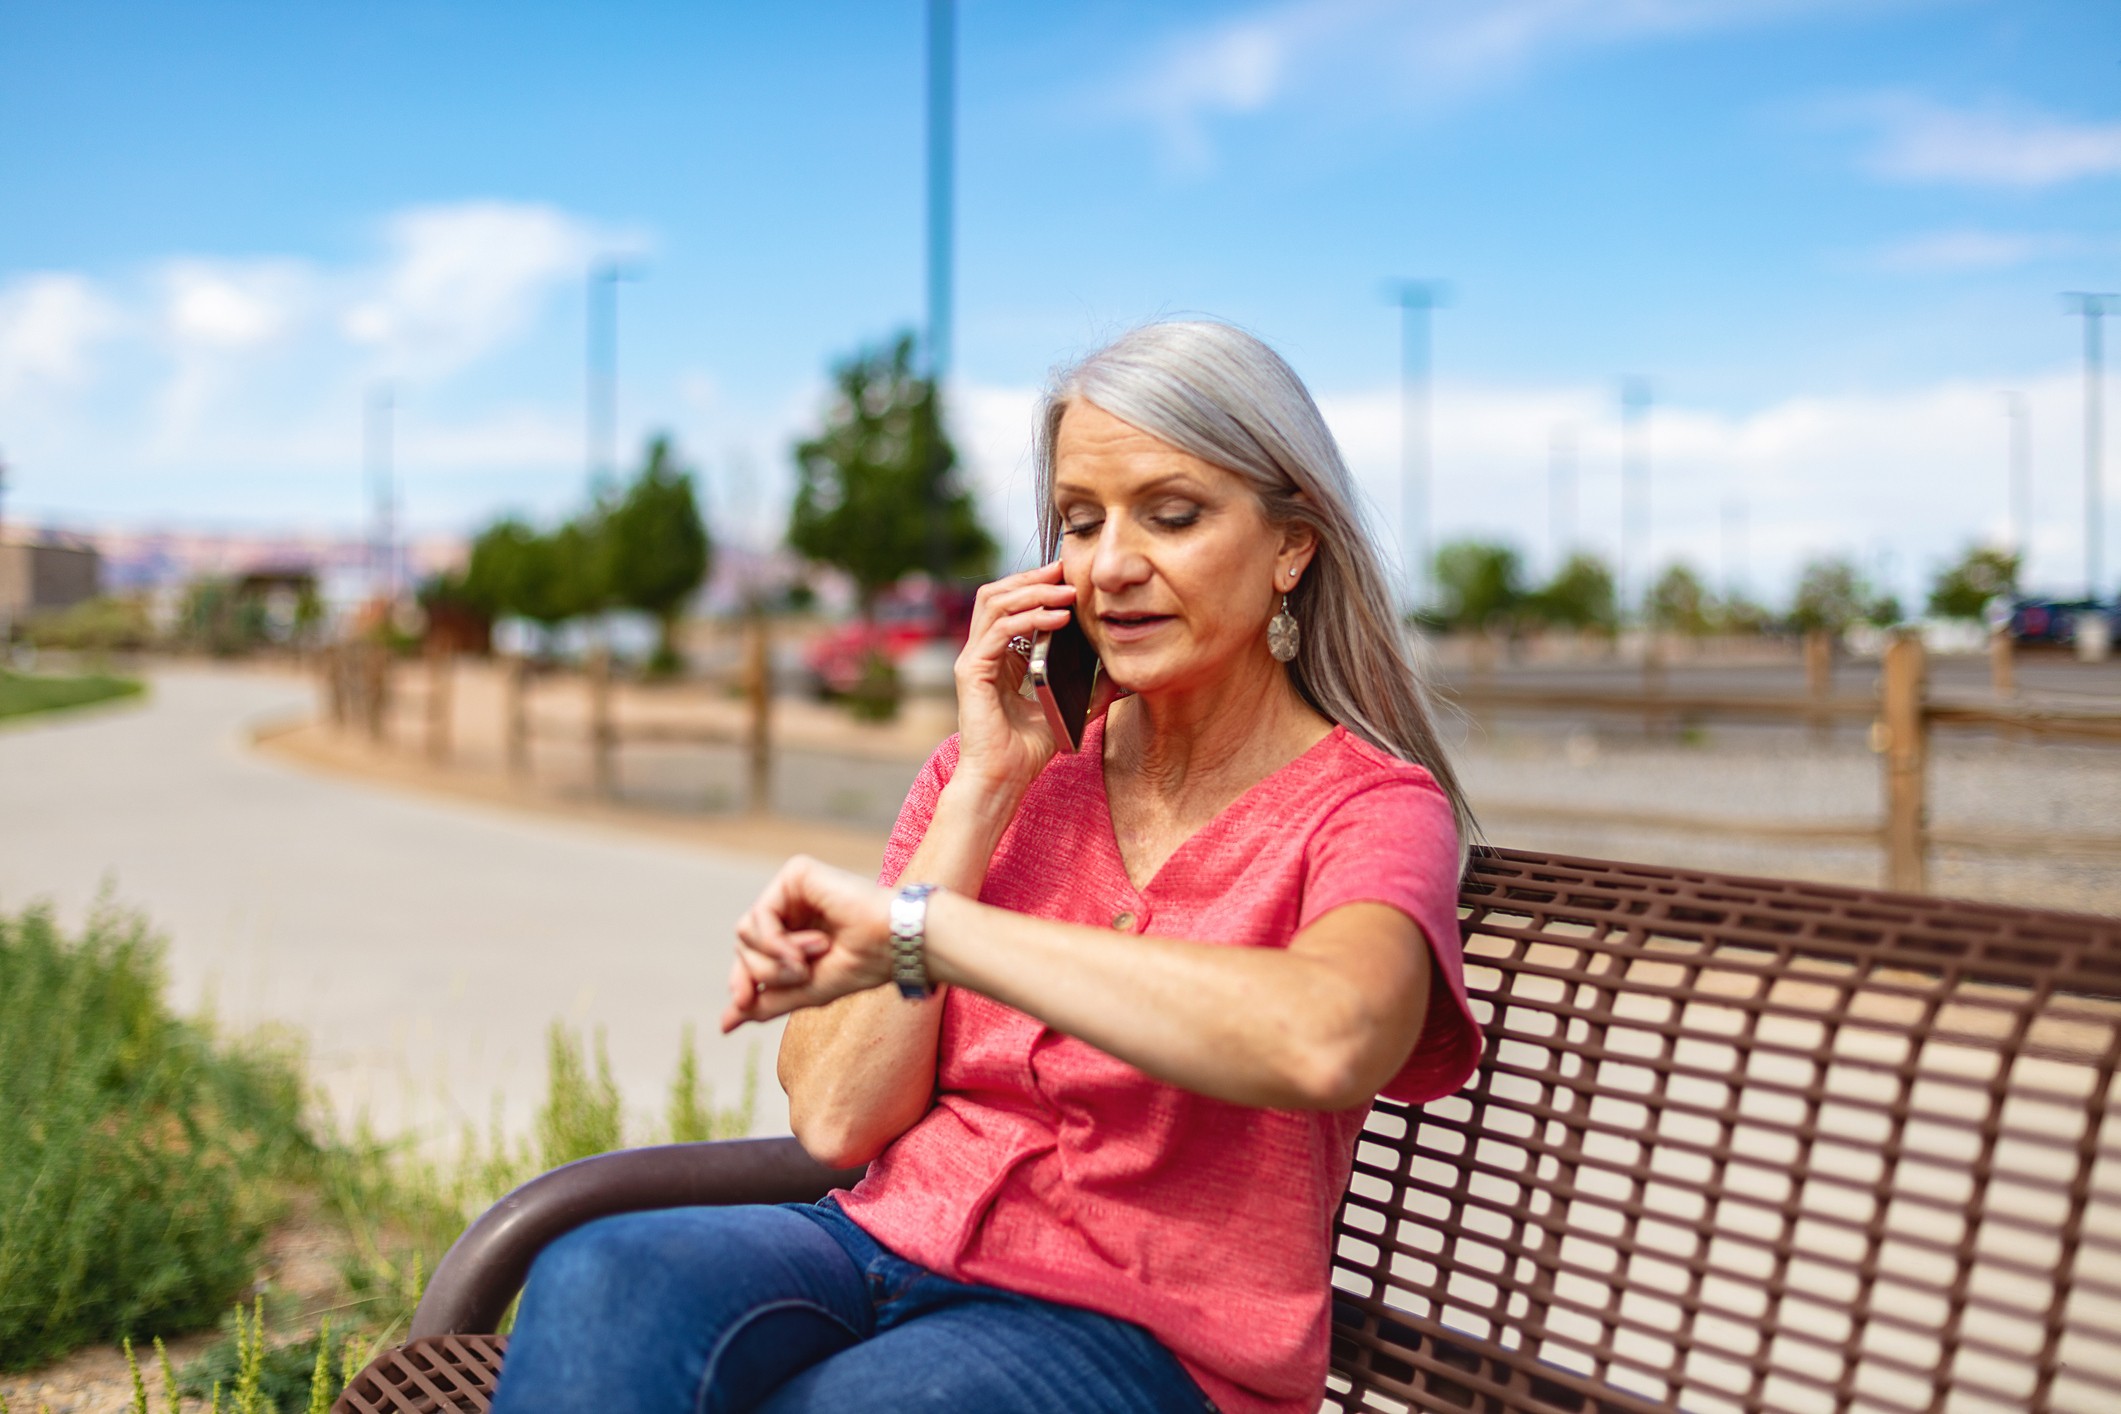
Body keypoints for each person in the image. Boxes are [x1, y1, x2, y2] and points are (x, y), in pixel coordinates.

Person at [490, 321, 1483, 1414]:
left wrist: (928, 931)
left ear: (1293, 544)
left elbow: (1327, 1034)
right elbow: (833, 1120)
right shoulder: (1003, 773)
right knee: (600, 1274)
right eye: (1082, 519)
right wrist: (981, 792)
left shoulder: (1371, 809)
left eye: (1173, 513)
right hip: (880, 1246)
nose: (1112, 565)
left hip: (1142, 1338)